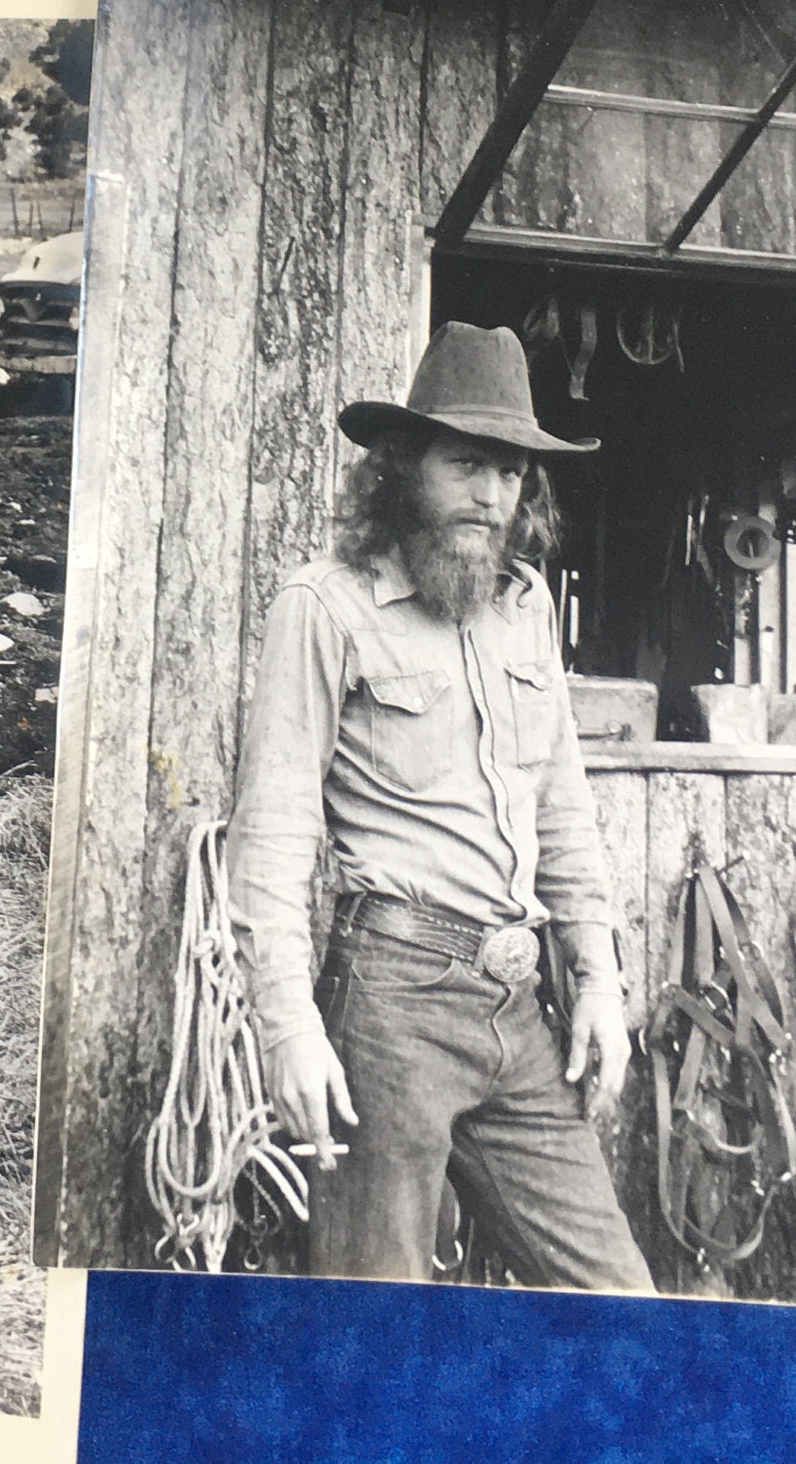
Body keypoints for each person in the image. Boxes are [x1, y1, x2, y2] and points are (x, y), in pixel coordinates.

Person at [226, 322, 653, 1290]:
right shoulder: (324, 607)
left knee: (619, 1302)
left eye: (509, 472)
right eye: (467, 464)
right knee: (372, 1326)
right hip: (390, 1003)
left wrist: (596, 978)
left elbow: (562, 810)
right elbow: (275, 833)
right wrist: (289, 1026)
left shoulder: (524, 608)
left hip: (517, 1001)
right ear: (403, 467)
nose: (492, 495)